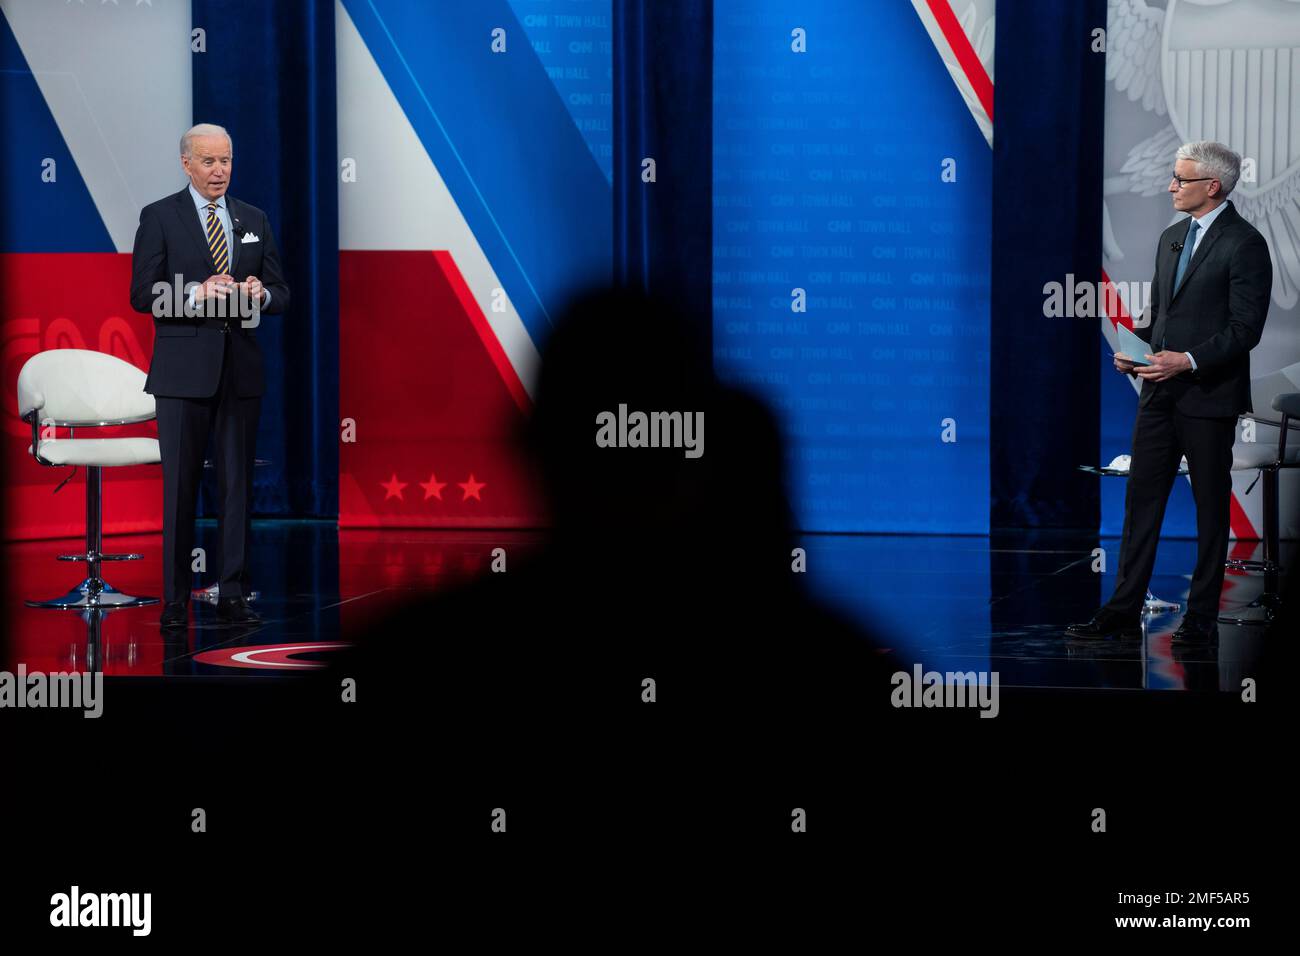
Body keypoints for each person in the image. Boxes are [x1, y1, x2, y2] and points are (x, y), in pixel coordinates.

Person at [1069, 141, 1272, 645]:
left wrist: (1187, 360)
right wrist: (1137, 349)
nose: (1171, 186)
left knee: (1208, 507)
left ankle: (1201, 617)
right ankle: (1121, 610)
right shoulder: (1171, 237)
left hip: (1208, 396)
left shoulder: (1245, 243)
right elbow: (1161, 315)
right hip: (1157, 397)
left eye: (1180, 179)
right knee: (1142, 503)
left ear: (1213, 186)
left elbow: (1245, 329)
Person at [128, 123, 290, 628]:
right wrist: (198, 292)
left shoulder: (253, 218)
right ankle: (175, 600)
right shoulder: (159, 217)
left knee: (237, 487)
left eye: (226, 161)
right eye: (208, 162)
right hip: (182, 376)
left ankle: (233, 593)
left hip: (239, 373)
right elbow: (142, 295)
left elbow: (280, 293)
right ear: (186, 163)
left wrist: (256, 294)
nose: (219, 170)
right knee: (179, 489)